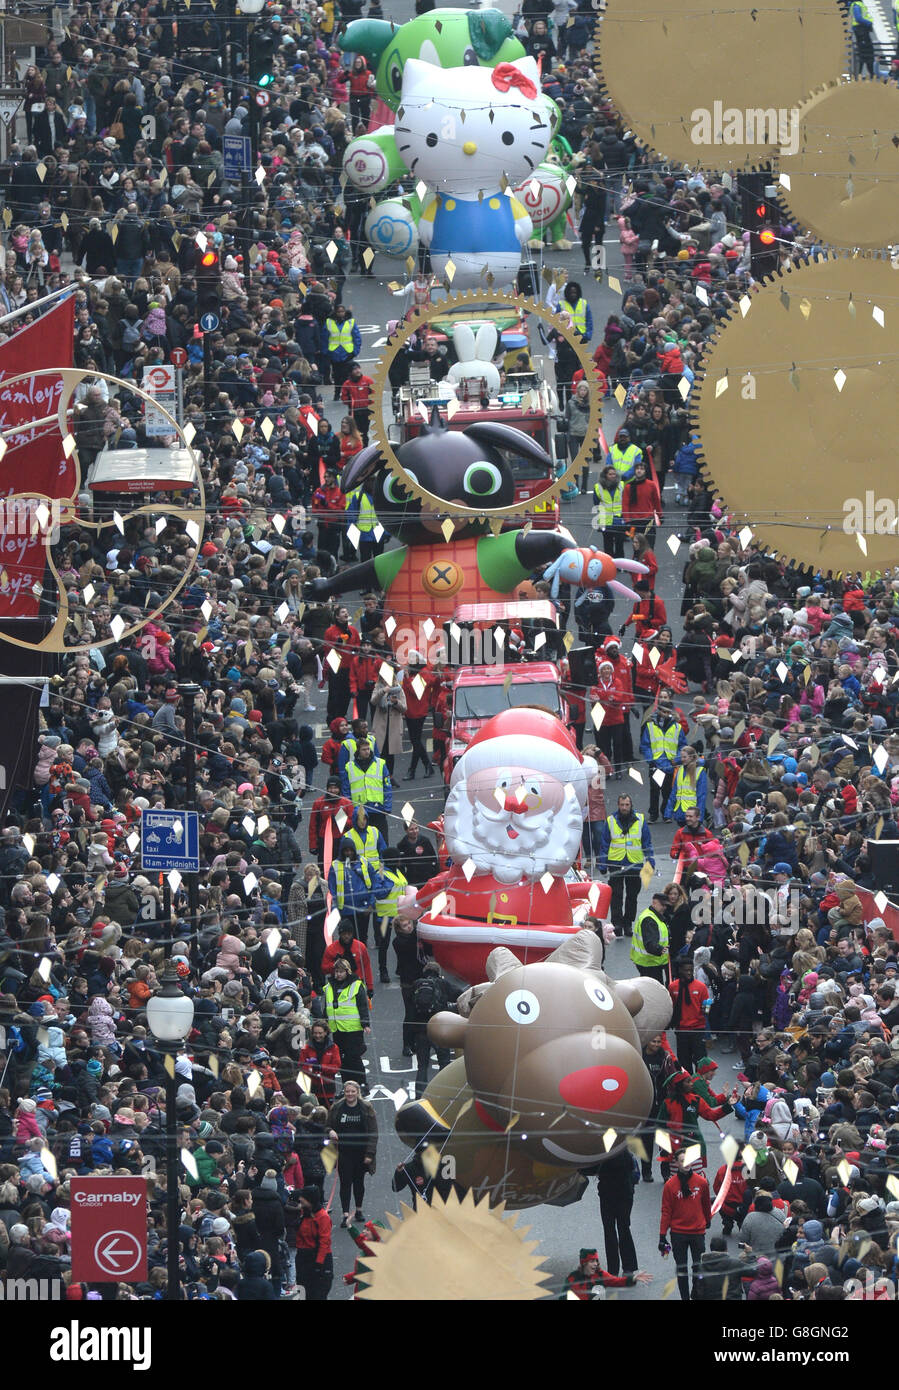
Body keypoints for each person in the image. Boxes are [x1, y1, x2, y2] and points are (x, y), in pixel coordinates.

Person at [599, 794, 655, 938]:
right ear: (618, 805)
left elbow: (646, 843)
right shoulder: (610, 820)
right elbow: (605, 843)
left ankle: (628, 923)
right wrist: (603, 863)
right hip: (615, 862)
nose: (624, 807)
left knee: (632, 895)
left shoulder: (641, 820)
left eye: (627, 805)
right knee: (616, 895)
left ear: (631, 805)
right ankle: (617, 924)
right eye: (622, 805)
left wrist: (650, 862)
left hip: (634, 863)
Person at [659, 1154, 712, 1301]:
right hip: (678, 1233)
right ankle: (684, 1297)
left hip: (697, 1232)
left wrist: (707, 1220)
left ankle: (696, 1295)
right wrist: (662, 1235)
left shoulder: (701, 1182)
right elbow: (666, 1211)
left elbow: (706, 1204)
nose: (686, 1163)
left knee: (698, 1268)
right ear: (676, 1163)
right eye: (682, 1161)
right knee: (682, 1269)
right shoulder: (670, 1185)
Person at [327, 1080, 378, 1227]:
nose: (350, 1094)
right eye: (347, 1091)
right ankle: (345, 1214)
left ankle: (359, 1209)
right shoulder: (337, 1108)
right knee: (345, 1183)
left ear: (357, 1092)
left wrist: (370, 1154)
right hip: (343, 1152)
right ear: (344, 1092)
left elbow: (373, 1132)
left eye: (353, 1091)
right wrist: (330, 1131)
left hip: (361, 1153)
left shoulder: (366, 1107)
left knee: (359, 1182)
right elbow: (327, 1126)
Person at [323, 957, 370, 1090]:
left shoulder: (356, 985)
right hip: (337, 1029)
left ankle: (362, 1084)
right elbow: (326, 1007)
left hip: (353, 1029)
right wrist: (324, 1025)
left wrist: (365, 1023)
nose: (338, 974)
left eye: (341, 971)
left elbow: (362, 1005)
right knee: (341, 1060)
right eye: (336, 971)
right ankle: (347, 1087)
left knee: (354, 1058)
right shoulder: (328, 987)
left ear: (347, 971)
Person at [410, 959, 454, 1097]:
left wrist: (409, 1040)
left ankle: (419, 1096)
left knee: (422, 1066)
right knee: (444, 1064)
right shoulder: (443, 983)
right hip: (439, 1029)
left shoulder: (417, 985)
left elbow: (410, 1011)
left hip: (421, 1031)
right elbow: (458, 995)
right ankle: (443, 1093)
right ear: (438, 972)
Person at [340, 738, 393, 841]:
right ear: (358, 751)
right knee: (362, 840)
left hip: (378, 808)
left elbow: (387, 787)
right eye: (364, 749)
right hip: (359, 810)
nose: (367, 751)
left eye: (368, 749)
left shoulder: (380, 764)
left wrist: (387, 807)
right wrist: (350, 809)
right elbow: (346, 790)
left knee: (381, 839)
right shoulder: (349, 767)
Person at [668, 957, 711, 1071]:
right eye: (686, 970)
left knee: (700, 1061)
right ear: (680, 970)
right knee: (684, 1061)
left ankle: (700, 1085)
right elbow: (671, 1006)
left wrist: (706, 1009)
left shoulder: (701, 987)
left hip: (698, 1029)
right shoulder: (673, 987)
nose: (688, 973)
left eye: (691, 970)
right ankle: (687, 1086)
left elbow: (707, 1006)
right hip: (681, 1030)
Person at [293, 1185, 333, 1301]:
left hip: (317, 1260)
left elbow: (324, 1242)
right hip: (303, 1258)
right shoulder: (304, 1213)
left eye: (303, 1197)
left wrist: (319, 1264)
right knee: (303, 1294)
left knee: (318, 1294)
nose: (300, 1199)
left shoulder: (322, 1217)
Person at [563, 1247, 651, 1299]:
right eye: (592, 1261)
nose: (595, 1264)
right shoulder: (572, 1278)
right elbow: (563, 1297)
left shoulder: (601, 1275)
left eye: (596, 1261)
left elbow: (617, 1281)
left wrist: (633, 1278)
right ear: (584, 1263)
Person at [631, 892, 670, 984]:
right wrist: (659, 949)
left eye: (665, 905)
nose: (664, 908)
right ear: (654, 903)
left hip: (648, 961)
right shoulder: (650, 920)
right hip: (650, 963)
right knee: (654, 991)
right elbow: (650, 943)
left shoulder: (651, 915)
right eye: (662, 905)